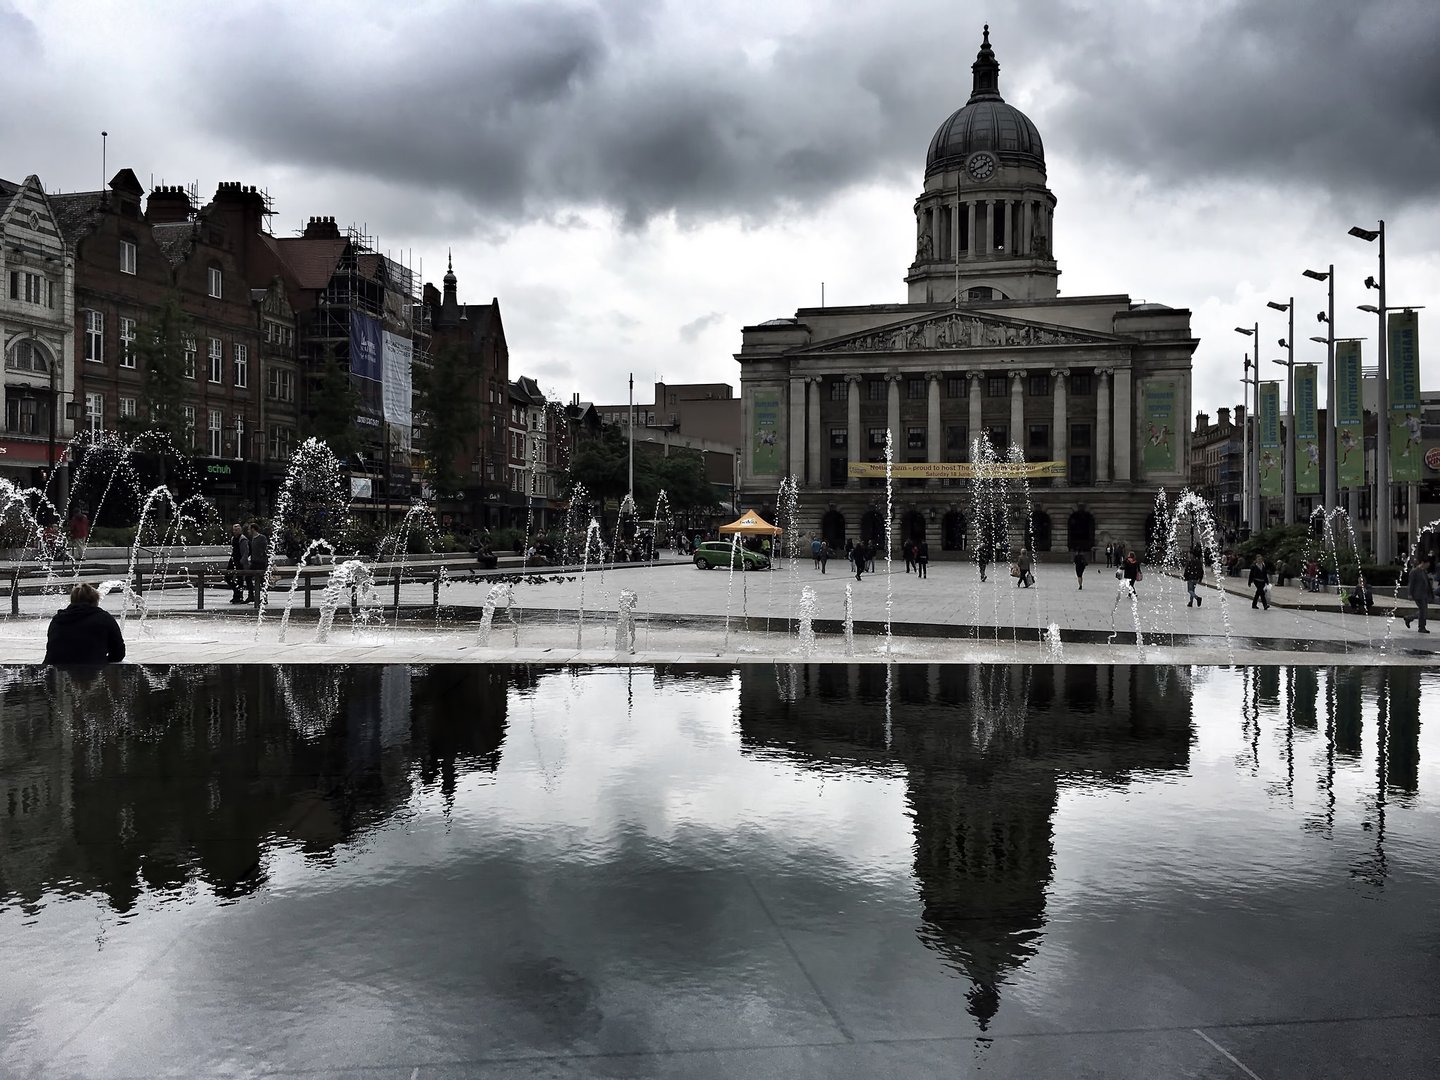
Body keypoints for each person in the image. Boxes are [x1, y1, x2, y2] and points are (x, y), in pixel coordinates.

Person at [42, 582, 125, 665]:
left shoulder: (57, 619)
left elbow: (52, 649)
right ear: (95, 600)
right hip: (90, 669)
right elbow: (118, 653)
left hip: (55, 669)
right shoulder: (104, 618)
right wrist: (101, 658)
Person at [1404, 556, 1433, 633]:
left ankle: (1410, 618)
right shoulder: (1414, 571)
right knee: (1423, 610)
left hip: (1424, 594)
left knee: (1423, 611)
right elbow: (1411, 584)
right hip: (1418, 594)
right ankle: (1421, 627)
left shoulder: (1423, 571)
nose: (1427, 566)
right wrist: (1410, 594)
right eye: (1427, 564)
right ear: (1423, 563)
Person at [244, 521, 270, 603]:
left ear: (253, 529)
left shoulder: (262, 538)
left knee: (262, 580)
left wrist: (265, 561)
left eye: (249, 529)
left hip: (261, 562)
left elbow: (265, 549)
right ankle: (251, 595)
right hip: (254, 562)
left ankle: (264, 597)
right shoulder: (251, 539)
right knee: (248, 577)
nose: (248, 531)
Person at [228, 523, 248, 603]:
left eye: (237, 530)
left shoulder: (243, 539)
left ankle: (239, 596)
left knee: (240, 579)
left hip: (240, 560)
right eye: (234, 530)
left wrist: (243, 561)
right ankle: (236, 592)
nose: (235, 531)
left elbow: (245, 551)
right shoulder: (233, 538)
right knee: (227, 576)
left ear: (240, 530)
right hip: (233, 559)